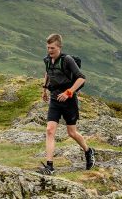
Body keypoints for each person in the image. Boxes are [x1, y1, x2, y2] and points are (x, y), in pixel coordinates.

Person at [39, 33, 94, 175]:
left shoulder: (67, 60)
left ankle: (88, 151)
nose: (50, 51)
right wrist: (44, 90)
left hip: (69, 101)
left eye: (52, 48)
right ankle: (49, 166)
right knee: (50, 130)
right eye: (48, 48)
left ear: (59, 47)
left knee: (72, 133)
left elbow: (81, 78)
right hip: (54, 99)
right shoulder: (47, 60)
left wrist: (69, 92)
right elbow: (47, 73)